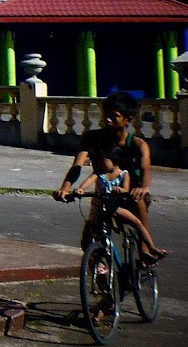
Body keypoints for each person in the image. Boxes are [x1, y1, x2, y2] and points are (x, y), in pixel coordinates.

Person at [54, 93, 154, 250]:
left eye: (114, 117)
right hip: (104, 194)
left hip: (130, 194)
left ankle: (145, 254)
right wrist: (65, 189)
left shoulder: (138, 145)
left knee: (138, 207)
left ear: (127, 119)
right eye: (106, 115)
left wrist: (144, 187)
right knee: (88, 238)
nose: (108, 120)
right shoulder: (92, 138)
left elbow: (145, 169)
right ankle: (99, 269)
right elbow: (77, 166)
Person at [71, 146, 166, 265]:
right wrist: (80, 189)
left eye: (104, 160)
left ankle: (151, 247)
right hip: (99, 208)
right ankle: (98, 261)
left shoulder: (123, 174)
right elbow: (87, 183)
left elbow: (126, 189)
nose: (101, 163)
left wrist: (121, 190)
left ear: (115, 161)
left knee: (137, 223)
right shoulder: (99, 174)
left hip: (114, 207)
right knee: (90, 233)